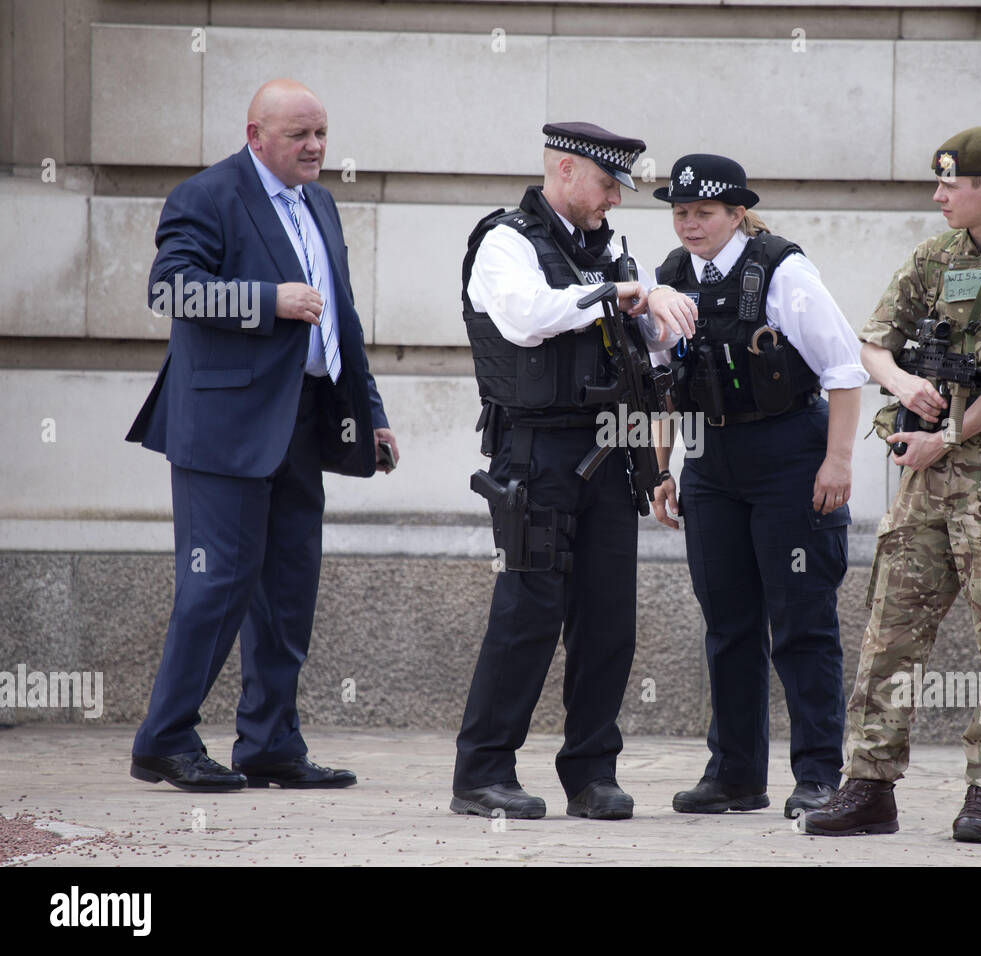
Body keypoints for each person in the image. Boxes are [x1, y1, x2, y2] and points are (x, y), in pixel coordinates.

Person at [803, 126, 981, 842]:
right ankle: (868, 785)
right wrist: (907, 383)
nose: (937, 196)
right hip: (925, 487)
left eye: (949, 185)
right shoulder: (932, 258)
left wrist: (949, 436)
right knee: (889, 633)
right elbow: (870, 343)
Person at [127, 79, 396, 792]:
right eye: (299, 135)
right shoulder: (208, 195)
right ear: (256, 136)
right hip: (223, 431)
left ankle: (271, 742)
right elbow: (171, 288)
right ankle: (164, 739)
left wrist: (371, 414)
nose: (315, 148)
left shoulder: (321, 203)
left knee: (287, 591)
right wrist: (267, 302)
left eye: (321, 134)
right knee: (215, 585)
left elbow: (341, 319)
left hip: (304, 424)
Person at [453, 122, 697, 820]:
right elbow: (528, 318)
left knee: (607, 619)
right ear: (564, 171)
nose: (616, 198)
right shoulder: (507, 242)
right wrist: (620, 294)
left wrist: (658, 318)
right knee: (528, 613)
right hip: (536, 451)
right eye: (607, 182)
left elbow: (649, 351)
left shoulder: (612, 250)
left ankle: (591, 773)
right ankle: (483, 771)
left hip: (610, 450)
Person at [648, 154, 867, 818]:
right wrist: (660, 468)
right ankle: (736, 773)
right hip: (710, 464)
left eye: (704, 212)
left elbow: (845, 369)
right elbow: (660, 385)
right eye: (681, 212)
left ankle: (820, 775)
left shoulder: (781, 271)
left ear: (736, 213)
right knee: (729, 624)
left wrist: (838, 462)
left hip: (788, 458)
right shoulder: (668, 279)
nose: (690, 224)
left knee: (802, 622)